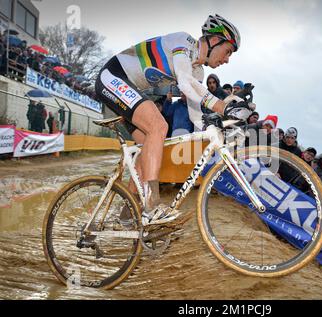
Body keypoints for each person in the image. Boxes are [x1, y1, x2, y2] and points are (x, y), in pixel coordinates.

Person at [95, 14, 254, 221]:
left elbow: (196, 117)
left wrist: (221, 120)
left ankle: (127, 216)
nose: (226, 59)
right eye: (228, 52)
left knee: (147, 150)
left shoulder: (198, 73)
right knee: (158, 126)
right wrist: (223, 106)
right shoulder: (183, 42)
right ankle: (151, 206)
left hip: (129, 89)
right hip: (113, 77)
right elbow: (185, 82)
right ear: (215, 40)